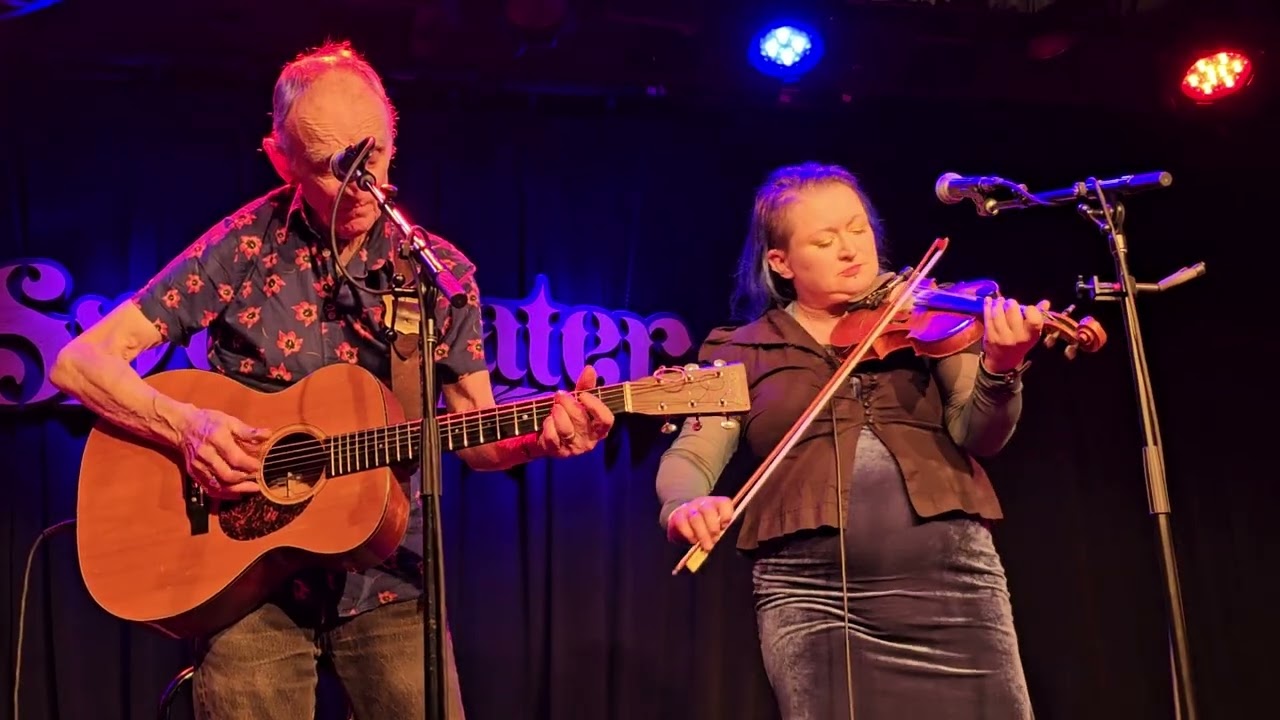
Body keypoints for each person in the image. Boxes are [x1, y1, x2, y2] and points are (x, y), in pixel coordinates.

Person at [50, 40, 614, 719]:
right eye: (331, 166)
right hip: (245, 579)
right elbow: (79, 361)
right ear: (280, 157)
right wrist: (189, 426)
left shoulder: (437, 274)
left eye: (369, 156)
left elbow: (477, 437)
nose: (359, 183)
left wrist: (540, 440)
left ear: (393, 141)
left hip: (389, 579)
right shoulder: (246, 244)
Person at [655, 162, 1045, 719]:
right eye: (824, 239)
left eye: (858, 229)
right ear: (781, 262)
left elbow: (978, 435)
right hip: (812, 599)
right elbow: (693, 453)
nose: (850, 250)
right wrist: (684, 503)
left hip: (955, 585)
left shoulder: (926, 314)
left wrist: (1002, 369)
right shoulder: (743, 349)